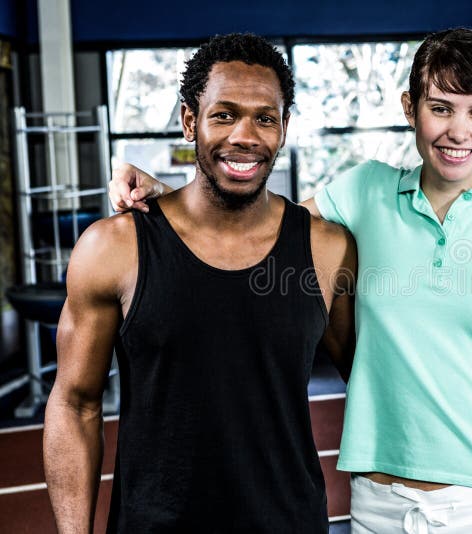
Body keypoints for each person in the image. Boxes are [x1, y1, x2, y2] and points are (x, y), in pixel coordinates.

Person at [110, 28, 472, 533]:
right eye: (440, 107)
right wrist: (166, 195)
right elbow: (260, 238)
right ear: (410, 108)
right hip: (382, 499)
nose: (459, 131)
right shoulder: (364, 190)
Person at [44, 33, 357, 533]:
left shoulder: (326, 249)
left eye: (265, 118)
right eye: (224, 115)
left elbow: (370, 379)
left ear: (285, 127)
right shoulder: (114, 248)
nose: (245, 136)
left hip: (289, 522)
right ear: (190, 121)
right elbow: (74, 403)